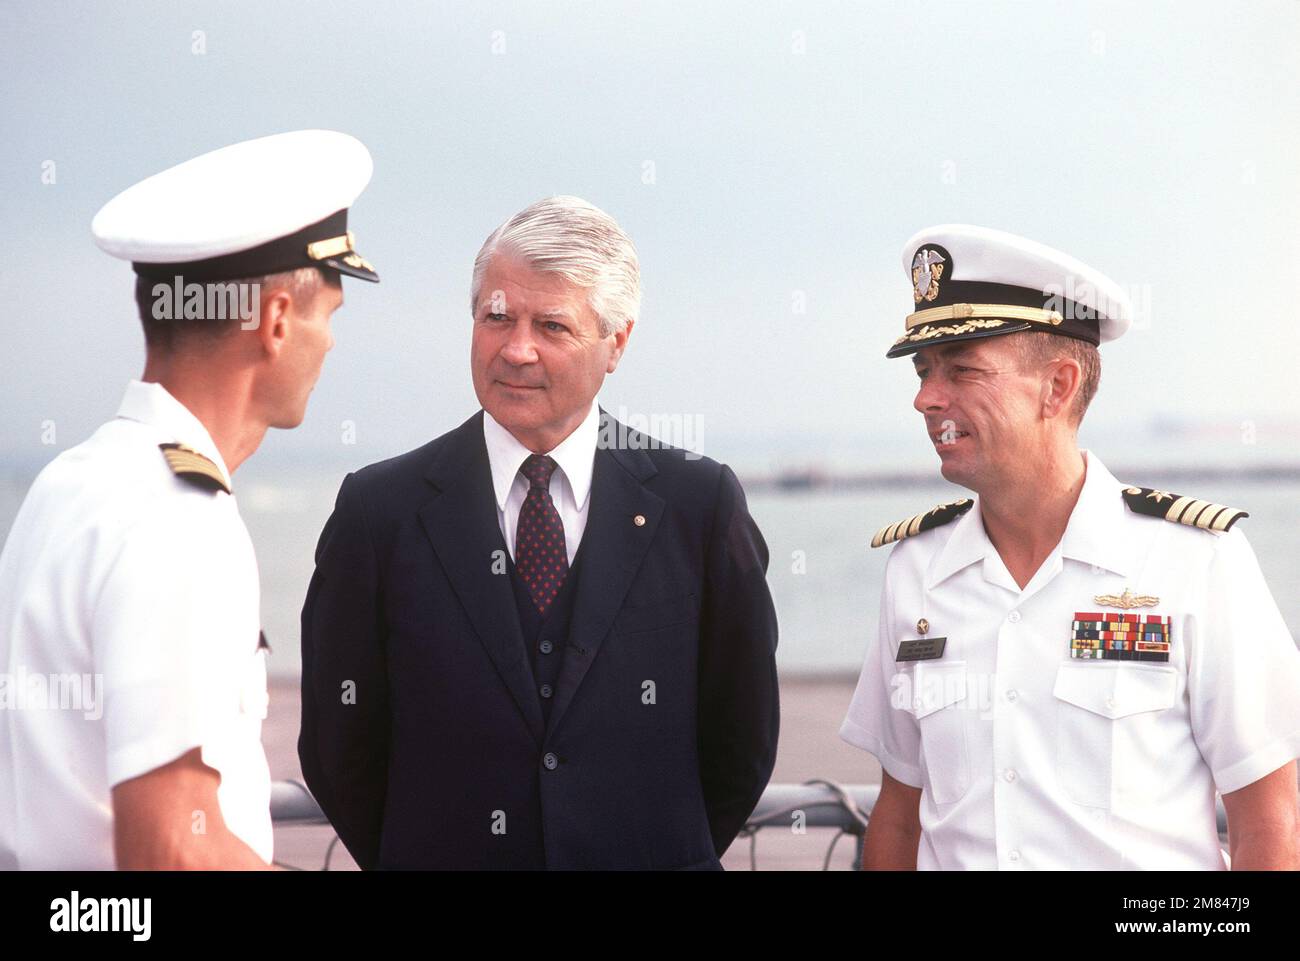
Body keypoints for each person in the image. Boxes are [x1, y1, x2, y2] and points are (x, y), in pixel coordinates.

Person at [299, 195, 780, 869]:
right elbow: (337, 745)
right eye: (497, 316)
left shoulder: (699, 506)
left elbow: (743, 738)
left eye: (552, 326)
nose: (516, 349)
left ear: (617, 342)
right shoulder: (380, 512)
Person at [840, 224, 1300, 870]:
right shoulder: (915, 571)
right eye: (923, 371)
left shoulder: (1195, 562)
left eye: (961, 369)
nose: (925, 398)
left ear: (1057, 386)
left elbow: (1271, 824)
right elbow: (898, 816)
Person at [0, 129, 379, 869]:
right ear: (274, 321)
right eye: (328, 312)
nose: (331, 343)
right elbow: (170, 848)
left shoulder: (70, 483)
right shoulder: (178, 518)